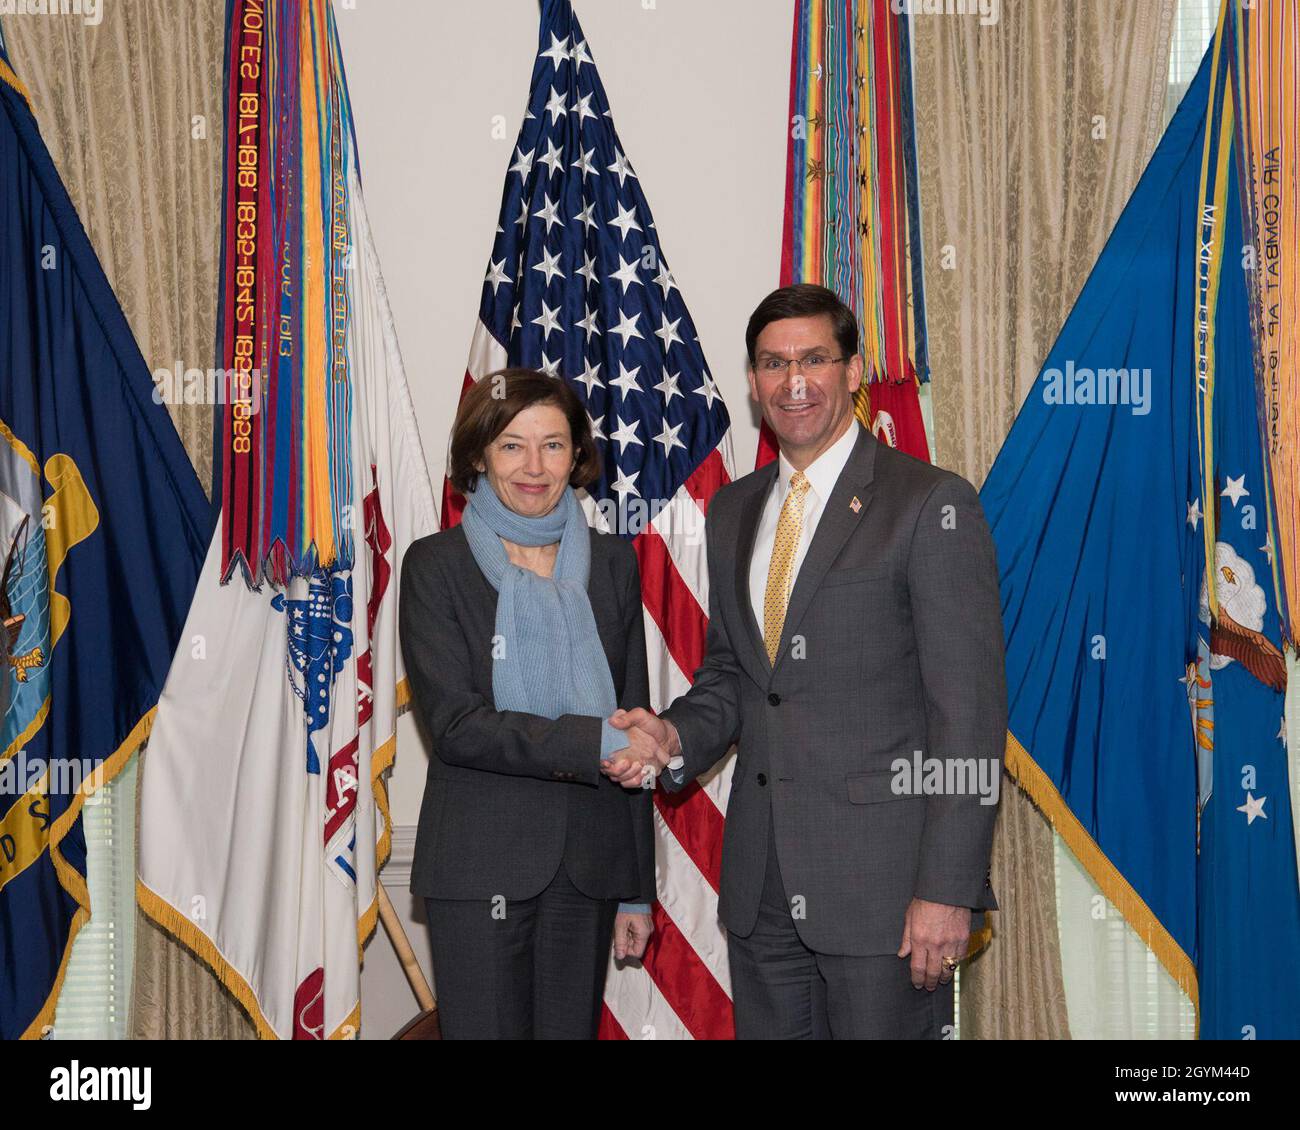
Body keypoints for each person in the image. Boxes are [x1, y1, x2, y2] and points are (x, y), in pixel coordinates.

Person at [605, 284, 1007, 1039]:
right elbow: (735, 675)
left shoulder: (929, 504)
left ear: (853, 371)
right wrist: (672, 737)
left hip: (887, 901)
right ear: (753, 382)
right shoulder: (733, 511)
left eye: (814, 359)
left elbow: (971, 717)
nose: (794, 380)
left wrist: (948, 889)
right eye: (772, 363)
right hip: (761, 895)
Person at [399, 368, 667, 1040]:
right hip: (478, 863)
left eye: (553, 445)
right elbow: (457, 727)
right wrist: (597, 745)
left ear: (576, 457)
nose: (534, 466)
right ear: (479, 455)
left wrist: (637, 888)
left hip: (589, 867)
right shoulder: (436, 565)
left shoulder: (611, 563)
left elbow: (631, 719)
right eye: (513, 445)